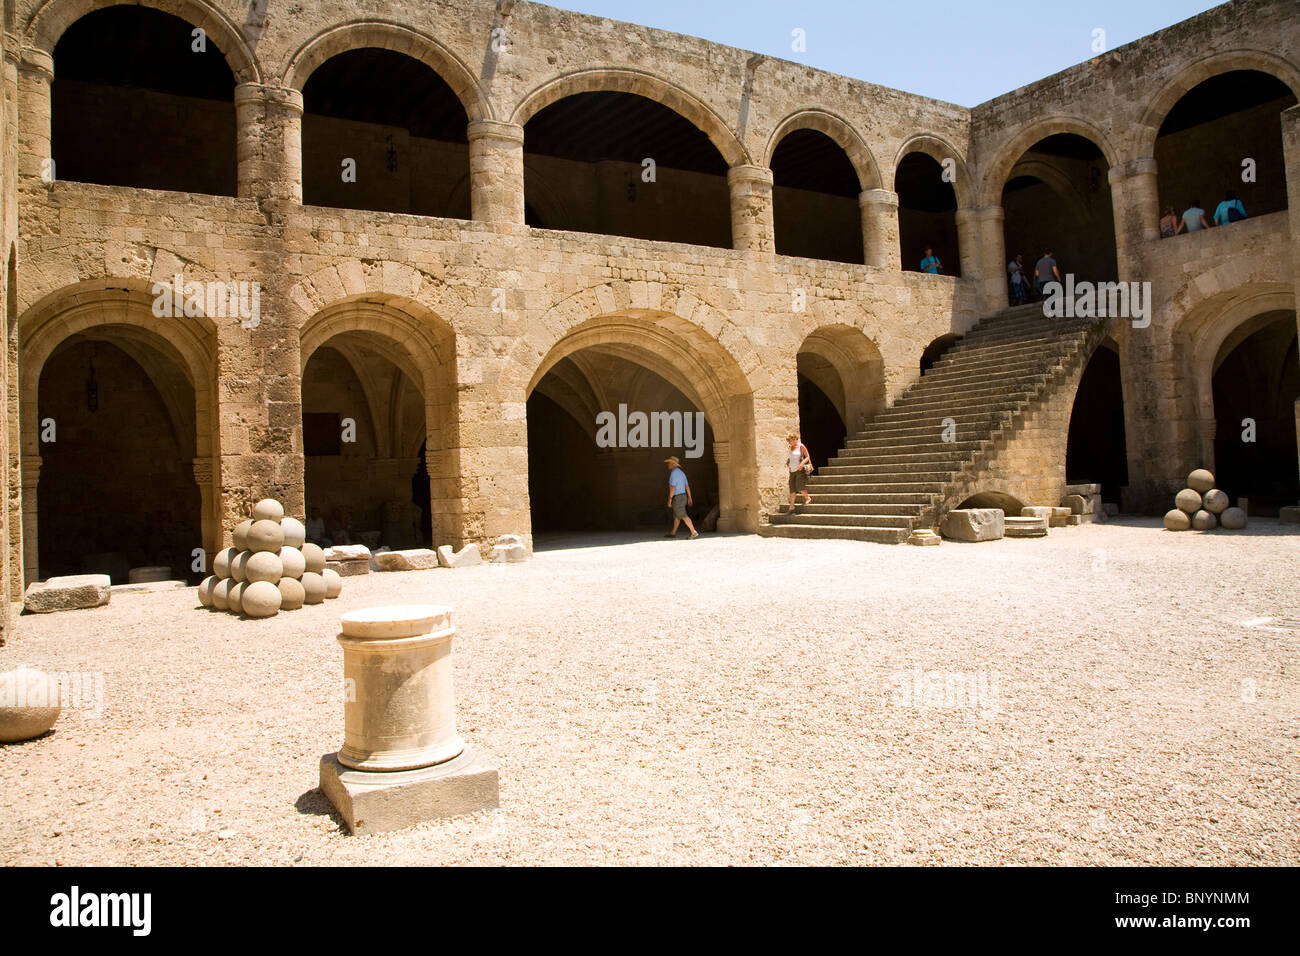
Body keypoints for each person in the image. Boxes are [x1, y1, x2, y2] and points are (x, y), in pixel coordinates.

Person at [663, 456, 698, 539]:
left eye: (669, 463)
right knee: (677, 516)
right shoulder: (682, 473)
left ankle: (693, 532)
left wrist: (670, 499)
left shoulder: (674, 473)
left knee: (683, 515)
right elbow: (687, 486)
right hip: (683, 496)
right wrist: (689, 497)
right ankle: (673, 533)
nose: (668, 464)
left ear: (672, 464)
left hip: (677, 497)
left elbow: (673, 487)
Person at [786, 433, 813, 513]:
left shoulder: (801, 446)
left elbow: (808, 456)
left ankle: (808, 498)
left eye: (790, 441)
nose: (789, 443)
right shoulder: (790, 447)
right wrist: (788, 461)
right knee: (792, 488)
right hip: (792, 470)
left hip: (799, 470)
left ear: (794, 439)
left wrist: (802, 464)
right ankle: (791, 507)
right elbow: (791, 457)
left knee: (799, 486)